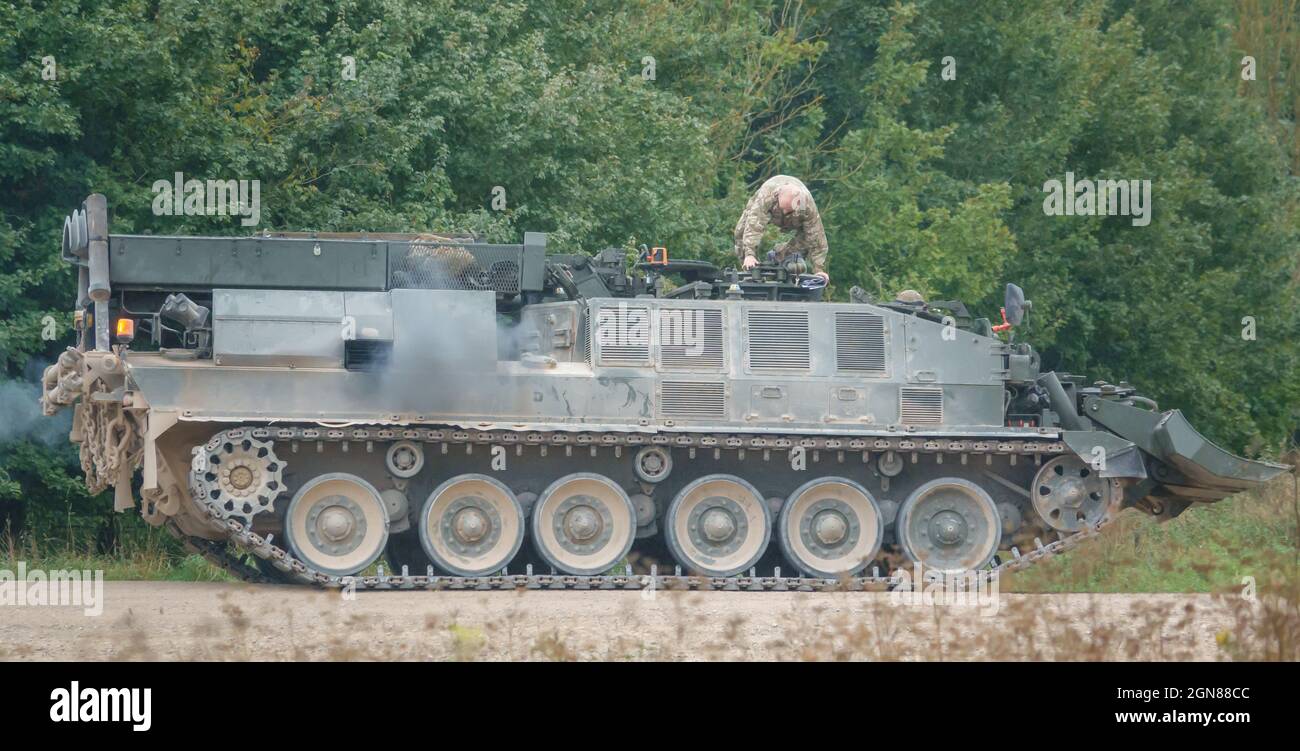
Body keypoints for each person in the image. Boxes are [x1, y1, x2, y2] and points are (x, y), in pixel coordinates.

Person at [733, 175, 829, 281]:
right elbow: (754, 225)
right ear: (777, 196)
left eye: (788, 210)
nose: (784, 212)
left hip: (795, 218)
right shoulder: (767, 196)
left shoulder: (805, 203)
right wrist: (750, 254)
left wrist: (818, 269)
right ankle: (751, 270)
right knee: (740, 232)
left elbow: (816, 234)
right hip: (765, 210)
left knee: (805, 241)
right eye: (783, 209)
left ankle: (780, 259)